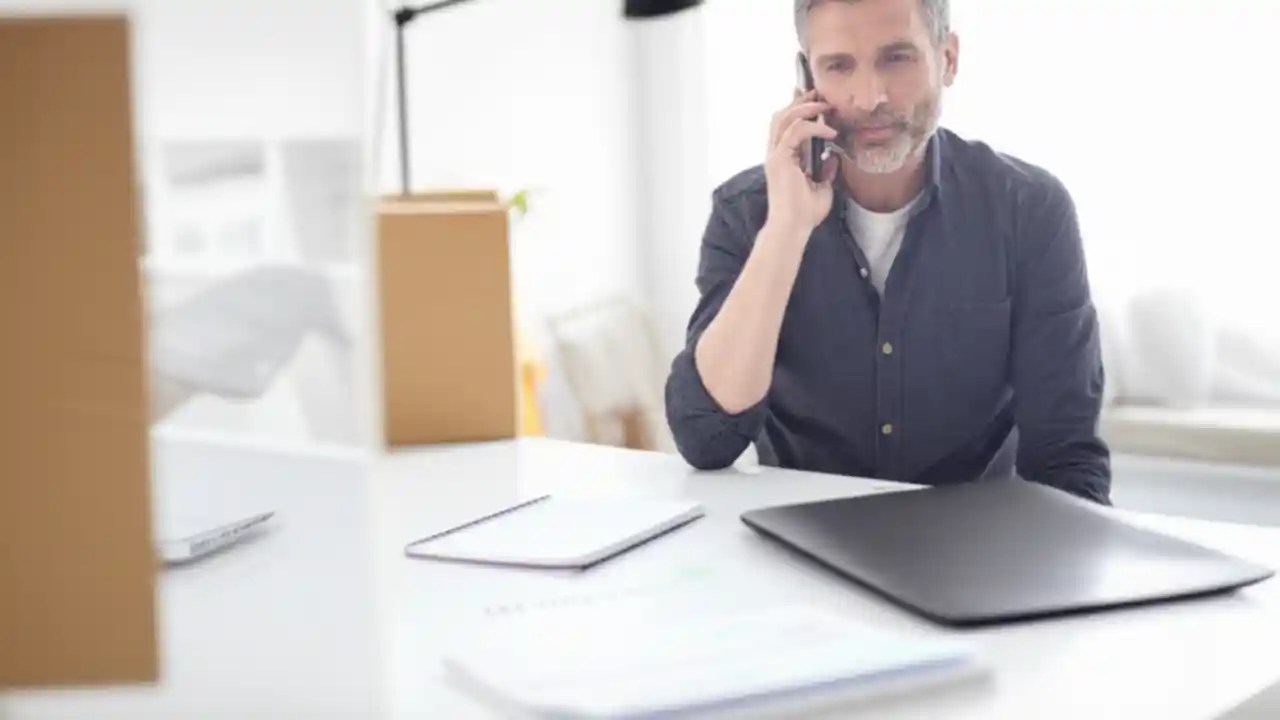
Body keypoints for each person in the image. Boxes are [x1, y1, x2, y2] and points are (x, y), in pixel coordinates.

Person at [664, 0, 1111, 503]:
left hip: (971, 553)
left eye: (896, 58)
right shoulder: (746, 214)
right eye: (838, 65)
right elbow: (707, 438)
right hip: (804, 544)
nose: (870, 97)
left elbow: (1065, 456)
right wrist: (786, 228)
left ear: (947, 59)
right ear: (805, 76)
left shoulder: (1028, 209)